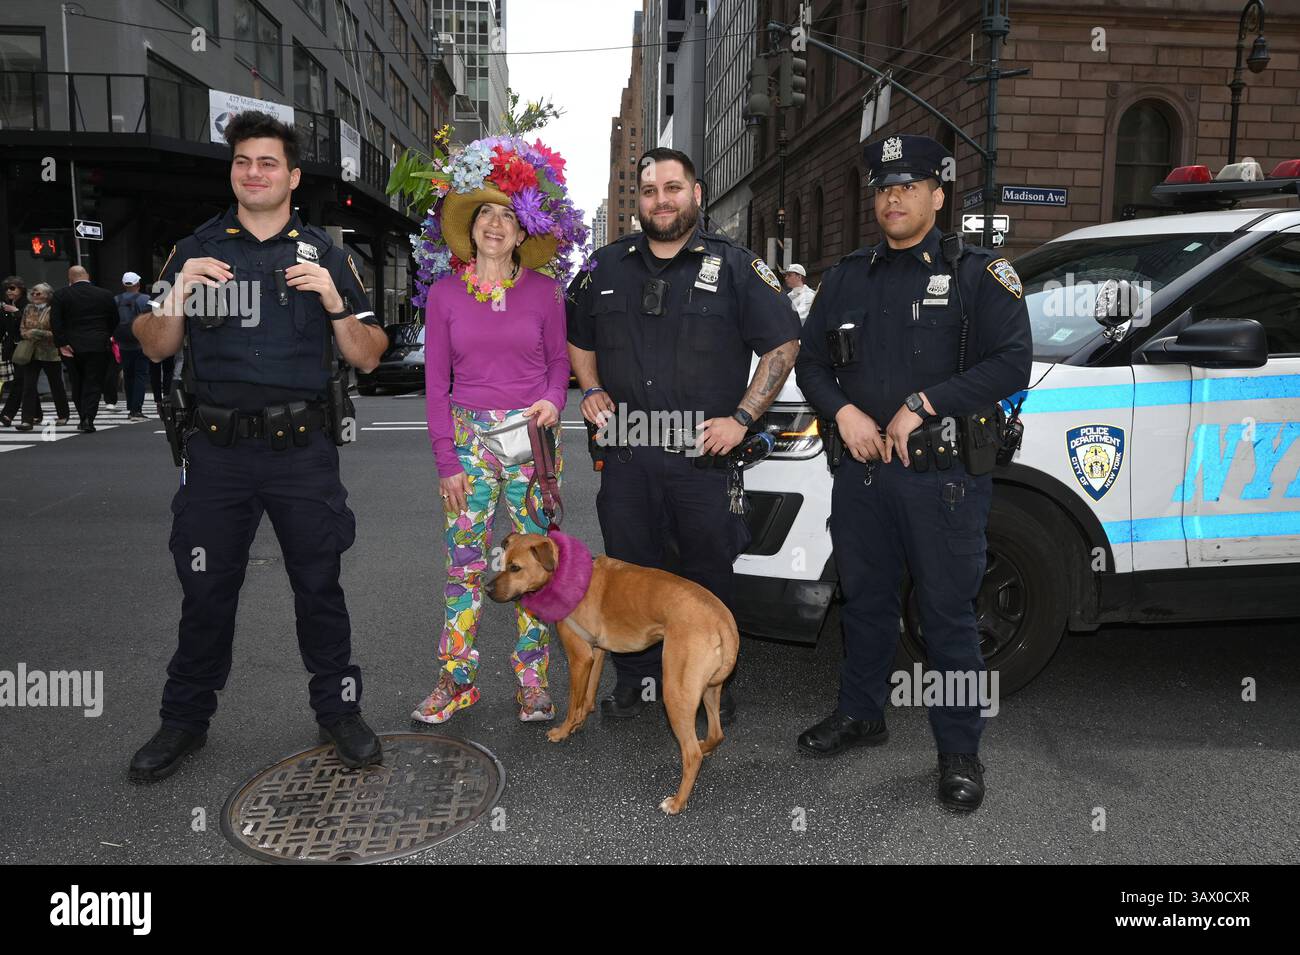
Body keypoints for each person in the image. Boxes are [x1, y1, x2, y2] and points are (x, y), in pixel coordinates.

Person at [128, 110, 388, 782]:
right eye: (244, 162)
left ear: (293, 176)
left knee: (319, 583)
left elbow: (367, 356)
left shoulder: (327, 255)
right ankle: (183, 719)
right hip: (216, 452)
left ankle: (340, 709)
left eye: (267, 162)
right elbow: (156, 345)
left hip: (302, 450)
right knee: (206, 589)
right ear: (233, 172)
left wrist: (335, 301)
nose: (254, 172)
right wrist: (178, 294)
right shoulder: (194, 249)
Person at [794, 134, 1032, 812]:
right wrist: (842, 412)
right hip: (864, 478)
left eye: (907, 185)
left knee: (948, 616)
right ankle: (861, 713)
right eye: (882, 187)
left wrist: (923, 405)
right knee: (864, 603)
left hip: (943, 479)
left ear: (938, 194)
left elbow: (1012, 362)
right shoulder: (845, 277)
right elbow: (812, 363)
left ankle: (960, 751)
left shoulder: (978, 275)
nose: (892, 197)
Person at [566, 147, 801, 721]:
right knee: (630, 574)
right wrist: (590, 387)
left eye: (673, 188)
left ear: (696, 194)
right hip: (626, 456)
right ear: (637, 202)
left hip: (702, 459)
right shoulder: (605, 267)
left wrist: (743, 418)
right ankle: (638, 683)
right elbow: (577, 333)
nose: (660, 200)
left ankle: (710, 684)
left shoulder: (738, 267)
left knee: (707, 575)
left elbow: (783, 343)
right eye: (649, 191)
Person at [413, 135, 578, 726]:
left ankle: (532, 681)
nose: (495, 224)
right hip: (467, 443)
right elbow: (435, 383)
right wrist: (446, 461)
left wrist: (555, 400)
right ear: (470, 225)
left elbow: (559, 362)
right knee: (465, 564)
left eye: (508, 215)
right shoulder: (445, 295)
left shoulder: (544, 293)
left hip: (531, 438)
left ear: (522, 231)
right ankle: (456, 680)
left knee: (534, 565)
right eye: (485, 212)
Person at [50, 266, 118, 433]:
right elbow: (114, 319)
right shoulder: (105, 294)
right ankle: (88, 418)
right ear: (87, 275)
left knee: (77, 381)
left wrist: (62, 343)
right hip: (98, 343)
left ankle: (82, 415)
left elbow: (55, 321)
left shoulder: (61, 295)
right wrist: (105, 334)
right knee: (93, 382)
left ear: (70, 278)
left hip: (71, 345)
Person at [13, 283, 72, 430]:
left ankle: (63, 414)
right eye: (33, 293)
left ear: (47, 295)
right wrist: (27, 333)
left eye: (38, 293)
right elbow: (23, 328)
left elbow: (57, 332)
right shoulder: (28, 308)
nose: (34, 295)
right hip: (31, 352)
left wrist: (37, 333)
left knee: (56, 385)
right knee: (29, 386)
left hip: (50, 352)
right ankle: (27, 420)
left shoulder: (54, 309)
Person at [113, 271, 152, 420]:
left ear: (124, 284)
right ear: (137, 284)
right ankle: (136, 410)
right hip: (140, 343)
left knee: (128, 375)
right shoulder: (146, 299)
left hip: (123, 343)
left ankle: (130, 407)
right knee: (140, 375)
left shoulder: (115, 300)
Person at [0, 276, 27, 425]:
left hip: (26, 347)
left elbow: (29, 323)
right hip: (12, 348)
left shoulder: (27, 304)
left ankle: (7, 414)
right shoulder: (5, 306)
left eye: (12, 288)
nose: (9, 291)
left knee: (20, 380)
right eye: (6, 289)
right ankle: (36, 413)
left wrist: (16, 311)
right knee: (25, 381)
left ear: (21, 289)